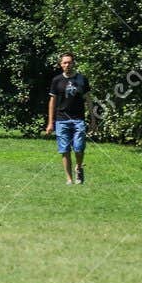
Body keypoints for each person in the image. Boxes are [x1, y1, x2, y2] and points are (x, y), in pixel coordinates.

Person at [45, 52, 91, 185]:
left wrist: (93, 119)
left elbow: (88, 99)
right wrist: (50, 123)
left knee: (79, 148)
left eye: (69, 62)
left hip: (78, 119)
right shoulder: (56, 80)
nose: (67, 65)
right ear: (61, 65)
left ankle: (79, 167)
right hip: (61, 120)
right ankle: (69, 179)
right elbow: (52, 102)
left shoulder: (82, 79)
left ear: (73, 63)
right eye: (64, 63)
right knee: (64, 150)